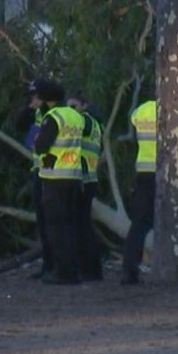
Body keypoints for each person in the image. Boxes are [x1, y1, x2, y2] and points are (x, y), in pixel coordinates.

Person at [31, 79, 84, 285]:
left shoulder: (53, 117)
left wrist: (36, 142)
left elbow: (41, 146)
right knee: (69, 226)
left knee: (56, 227)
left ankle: (62, 272)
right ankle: (73, 270)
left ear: (45, 98)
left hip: (55, 178)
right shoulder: (74, 115)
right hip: (73, 176)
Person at [67, 93, 104, 281]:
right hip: (89, 179)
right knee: (85, 226)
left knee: (82, 228)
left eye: (73, 107)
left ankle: (88, 269)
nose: (70, 111)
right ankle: (92, 269)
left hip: (83, 179)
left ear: (84, 104)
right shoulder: (95, 123)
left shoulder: (86, 121)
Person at [19, 81, 52, 280]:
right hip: (39, 170)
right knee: (43, 221)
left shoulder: (55, 114)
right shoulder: (38, 114)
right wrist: (29, 108)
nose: (33, 100)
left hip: (53, 173)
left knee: (53, 222)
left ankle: (56, 264)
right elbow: (20, 125)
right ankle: (48, 264)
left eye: (36, 96)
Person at [122, 98, 157, 285]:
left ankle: (129, 271)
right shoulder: (171, 110)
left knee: (139, 225)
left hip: (143, 172)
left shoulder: (141, 111)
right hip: (166, 172)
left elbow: (134, 122)